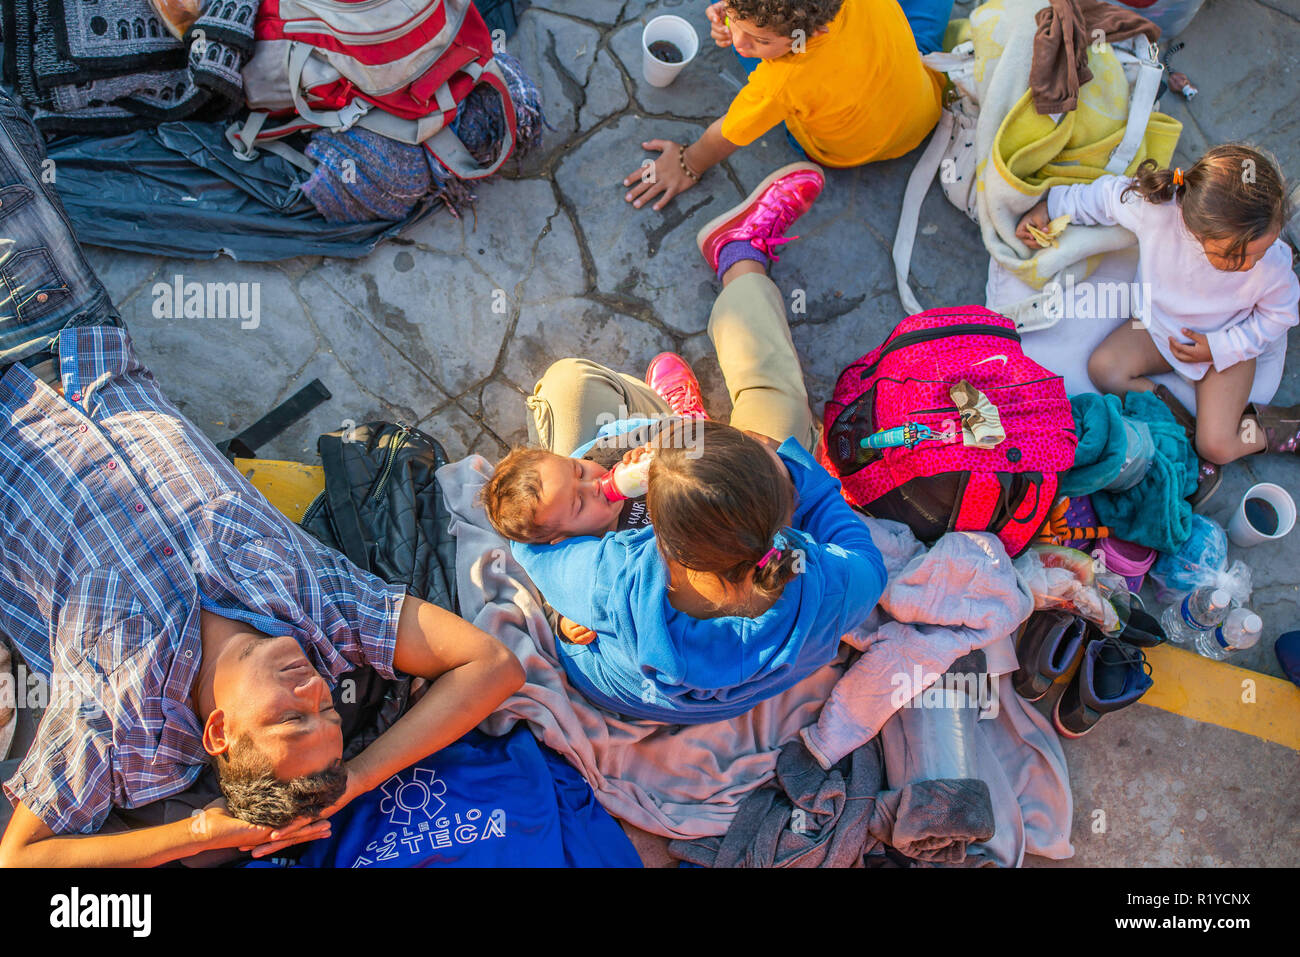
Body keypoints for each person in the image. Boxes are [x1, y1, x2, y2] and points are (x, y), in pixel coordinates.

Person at [0, 86, 524, 867]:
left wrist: (203, 832)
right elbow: (493, 664)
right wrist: (357, 778)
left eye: (291, 718)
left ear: (218, 733)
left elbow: (23, 858)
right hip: (66, 325)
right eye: (327, 712)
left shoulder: (121, 722)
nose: (314, 688)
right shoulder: (319, 610)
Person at [509, 163, 888, 723]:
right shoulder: (827, 581)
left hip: (619, 683)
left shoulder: (616, 579)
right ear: (787, 514)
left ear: (656, 533)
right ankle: (741, 263)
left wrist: (565, 604)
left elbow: (527, 538)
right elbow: (867, 562)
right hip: (745, 571)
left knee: (568, 386)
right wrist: (797, 468)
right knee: (772, 391)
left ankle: (682, 410)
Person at [1017, 145, 1300, 470]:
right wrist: (1050, 208)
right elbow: (1103, 197)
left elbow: (1280, 315)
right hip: (1155, 328)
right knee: (1104, 369)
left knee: (1217, 447)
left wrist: (1221, 347)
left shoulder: (1272, 264)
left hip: (1224, 348)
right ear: (1200, 228)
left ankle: (1284, 430)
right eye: (1238, 256)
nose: (1252, 264)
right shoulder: (1158, 211)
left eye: (1260, 253)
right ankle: (1179, 424)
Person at [622, 0, 951, 211]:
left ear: (812, 31)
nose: (737, 41)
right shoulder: (811, 20)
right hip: (923, 96)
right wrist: (746, 21)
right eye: (735, 22)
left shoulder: (783, 79)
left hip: (841, 151)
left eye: (760, 40)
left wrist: (688, 163)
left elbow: (728, 133)